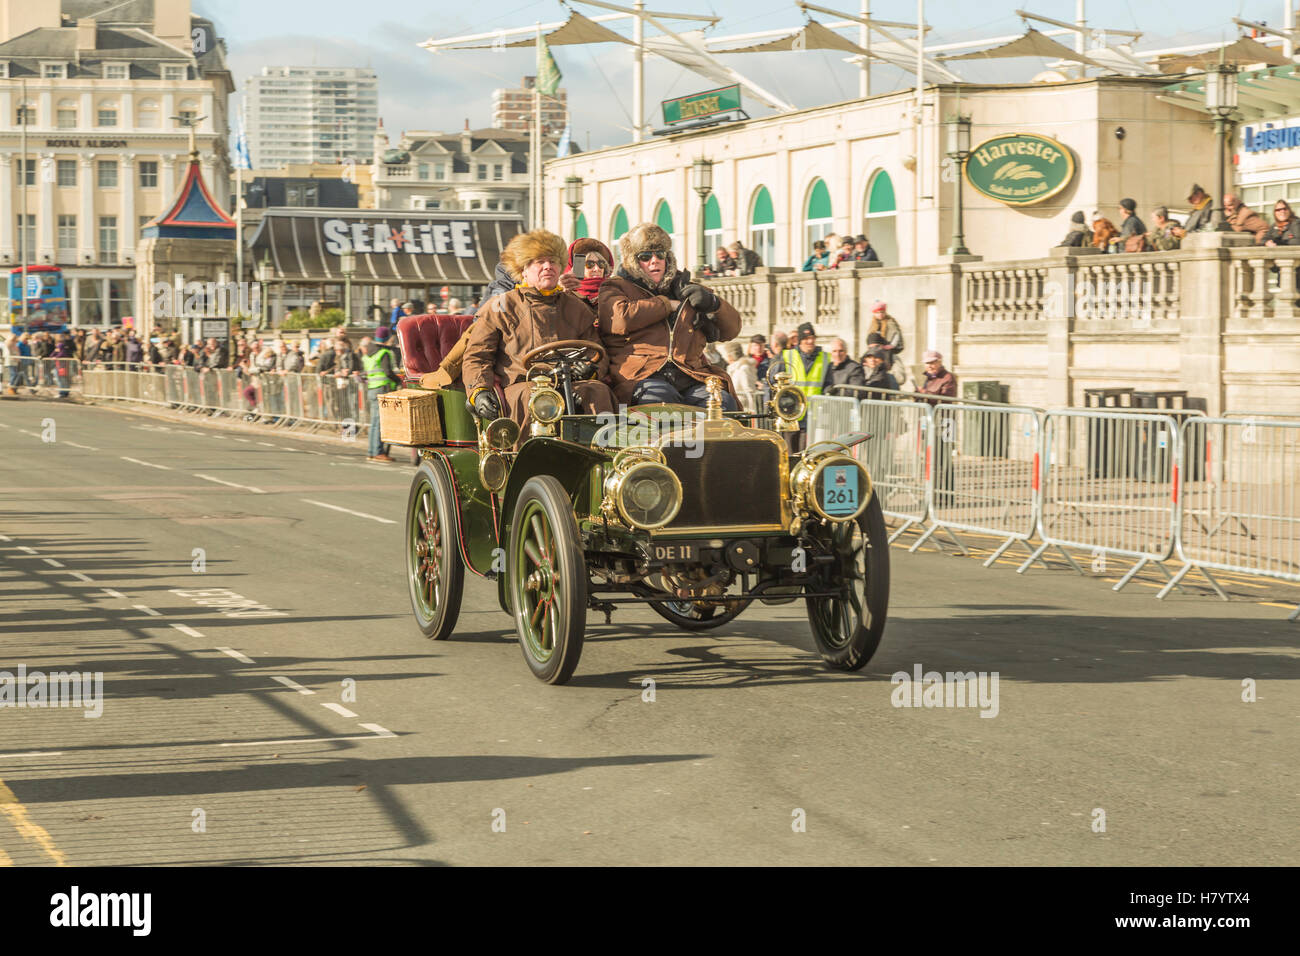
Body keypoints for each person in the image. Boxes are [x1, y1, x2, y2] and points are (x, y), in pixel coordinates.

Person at [462, 229, 616, 427]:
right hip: (522, 384)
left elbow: (596, 350)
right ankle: (523, 457)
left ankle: (603, 454)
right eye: (539, 261)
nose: (547, 267)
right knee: (535, 397)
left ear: (561, 268)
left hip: (570, 382)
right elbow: (477, 356)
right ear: (523, 270)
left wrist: (590, 369)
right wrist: (479, 390)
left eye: (552, 261)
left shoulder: (576, 306)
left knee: (598, 391)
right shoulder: (500, 306)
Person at [597, 222, 742, 410]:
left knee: (721, 401)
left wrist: (714, 304)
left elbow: (732, 330)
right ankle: (678, 440)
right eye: (645, 256)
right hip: (641, 375)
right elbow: (619, 318)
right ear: (633, 261)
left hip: (689, 373)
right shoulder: (616, 287)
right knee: (662, 401)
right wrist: (667, 305)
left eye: (660, 254)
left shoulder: (686, 289)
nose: (654, 260)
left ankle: (717, 440)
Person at [768, 322, 835, 448]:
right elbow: (772, 383)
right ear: (799, 341)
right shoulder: (787, 356)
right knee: (789, 453)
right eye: (806, 339)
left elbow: (828, 384)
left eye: (812, 338)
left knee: (806, 452)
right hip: (790, 414)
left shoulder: (825, 358)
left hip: (813, 415)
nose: (810, 341)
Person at [361, 332, 401, 462]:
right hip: (382, 387)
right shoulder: (383, 352)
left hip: (372, 388)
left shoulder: (368, 353)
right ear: (387, 338)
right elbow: (387, 372)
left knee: (374, 422)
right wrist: (398, 381)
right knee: (379, 422)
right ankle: (378, 452)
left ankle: (371, 451)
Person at [565, 238, 614, 314]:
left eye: (601, 264)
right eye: (589, 264)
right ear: (578, 268)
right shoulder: (566, 295)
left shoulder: (616, 292)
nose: (597, 269)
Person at [867, 301, 904, 375]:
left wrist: (891, 345)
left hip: (887, 347)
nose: (880, 314)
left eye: (882, 312)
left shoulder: (890, 321)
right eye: (877, 312)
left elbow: (896, 334)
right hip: (877, 348)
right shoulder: (873, 323)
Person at [722, 341, 758, 412]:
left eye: (727, 354)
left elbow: (749, 390)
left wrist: (752, 411)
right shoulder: (732, 368)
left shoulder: (744, 368)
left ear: (731, 355)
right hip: (734, 406)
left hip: (744, 408)